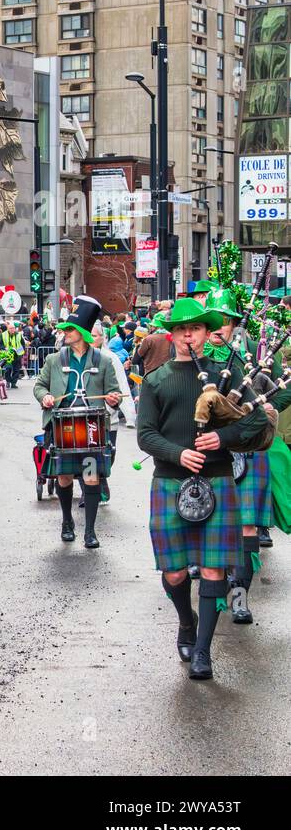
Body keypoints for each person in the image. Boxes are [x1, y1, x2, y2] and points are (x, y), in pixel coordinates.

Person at [136, 298, 269, 680]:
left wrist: (222, 437)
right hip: (170, 479)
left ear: (208, 333)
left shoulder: (227, 373)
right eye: (181, 329)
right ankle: (186, 623)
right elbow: (145, 434)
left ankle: (203, 653)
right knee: (175, 572)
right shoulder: (157, 379)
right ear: (172, 334)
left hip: (217, 477)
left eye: (195, 329)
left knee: (213, 569)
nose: (188, 335)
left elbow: (256, 424)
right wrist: (179, 454)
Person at [203, 287, 291, 625]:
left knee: (249, 527)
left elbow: (285, 386)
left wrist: (269, 409)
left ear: (235, 322)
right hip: (210, 449)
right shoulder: (194, 355)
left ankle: (240, 596)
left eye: (225, 321)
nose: (218, 328)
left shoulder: (256, 351)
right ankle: (217, 576)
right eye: (213, 321)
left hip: (251, 450)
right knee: (212, 523)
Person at [34, 295, 122, 549]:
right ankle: (66, 521)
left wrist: (114, 399)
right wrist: (46, 397)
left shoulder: (103, 361)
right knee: (63, 477)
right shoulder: (54, 359)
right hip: (61, 426)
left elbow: (112, 394)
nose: (64, 333)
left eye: (69, 329)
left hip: (92, 428)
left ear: (82, 333)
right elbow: (39, 386)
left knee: (91, 477)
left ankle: (90, 531)